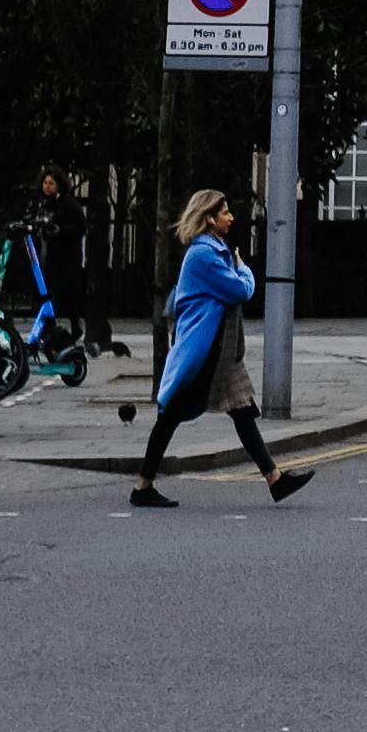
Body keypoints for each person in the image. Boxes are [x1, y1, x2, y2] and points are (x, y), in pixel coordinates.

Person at [128, 190, 307, 512]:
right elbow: (240, 290)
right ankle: (143, 485)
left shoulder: (215, 250)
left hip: (223, 350)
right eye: (225, 212)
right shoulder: (203, 255)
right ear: (210, 218)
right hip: (205, 351)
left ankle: (275, 479)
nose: (231, 217)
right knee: (170, 415)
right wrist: (244, 269)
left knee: (243, 410)